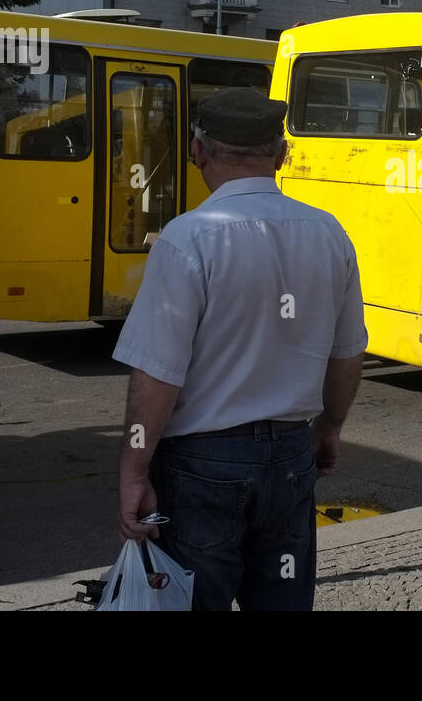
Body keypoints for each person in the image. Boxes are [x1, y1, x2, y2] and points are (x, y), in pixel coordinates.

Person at [113, 87, 367, 610]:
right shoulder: (330, 233)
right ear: (281, 155)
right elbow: (347, 354)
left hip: (202, 466)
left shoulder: (187, 240)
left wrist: (134, 472)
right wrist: (331, 428)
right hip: (293, 456)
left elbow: (157, 374)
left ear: (197, 150)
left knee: (194, 600)